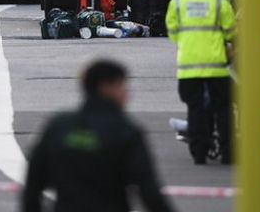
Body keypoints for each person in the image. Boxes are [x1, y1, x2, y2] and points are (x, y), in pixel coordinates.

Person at [23, 60, 176, 212]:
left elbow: (34, 181)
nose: (126, 94)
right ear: (106, 87)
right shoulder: (125, 131)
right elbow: (148, 190)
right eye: (122, 86)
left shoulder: (58, 126)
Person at [166, 0, 236, 165]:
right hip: (217, 67)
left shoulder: (177, 4)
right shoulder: (219, 3)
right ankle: (228, 153)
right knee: (223, 108)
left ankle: (199, 153)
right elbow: (231, 32)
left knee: (195, 109)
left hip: (188, 68)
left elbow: (173, 34)